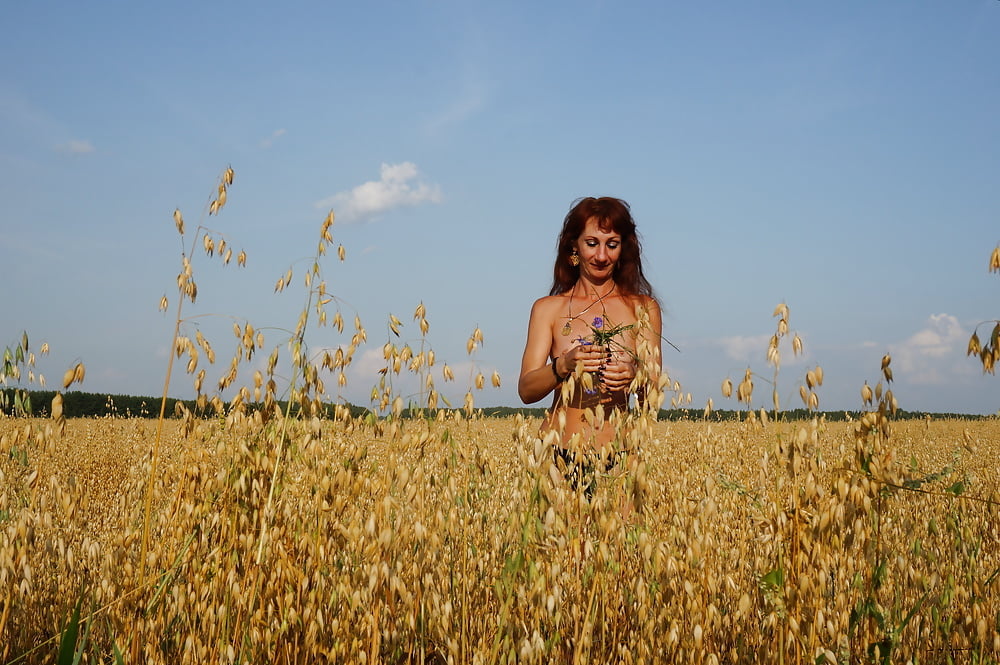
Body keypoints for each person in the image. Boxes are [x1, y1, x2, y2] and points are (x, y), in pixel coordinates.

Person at [518, 196, 662, 495]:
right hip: (556, 456)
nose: (601, 255)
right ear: (574, 246)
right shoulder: (548, 309)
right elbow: (527, 390)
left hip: (621, 458)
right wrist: (563, 365)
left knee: (622, 543)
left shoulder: (644, 309)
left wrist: (636, 375)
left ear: (624, 249)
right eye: (592, 243)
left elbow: (652, 400)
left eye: (612, 244)